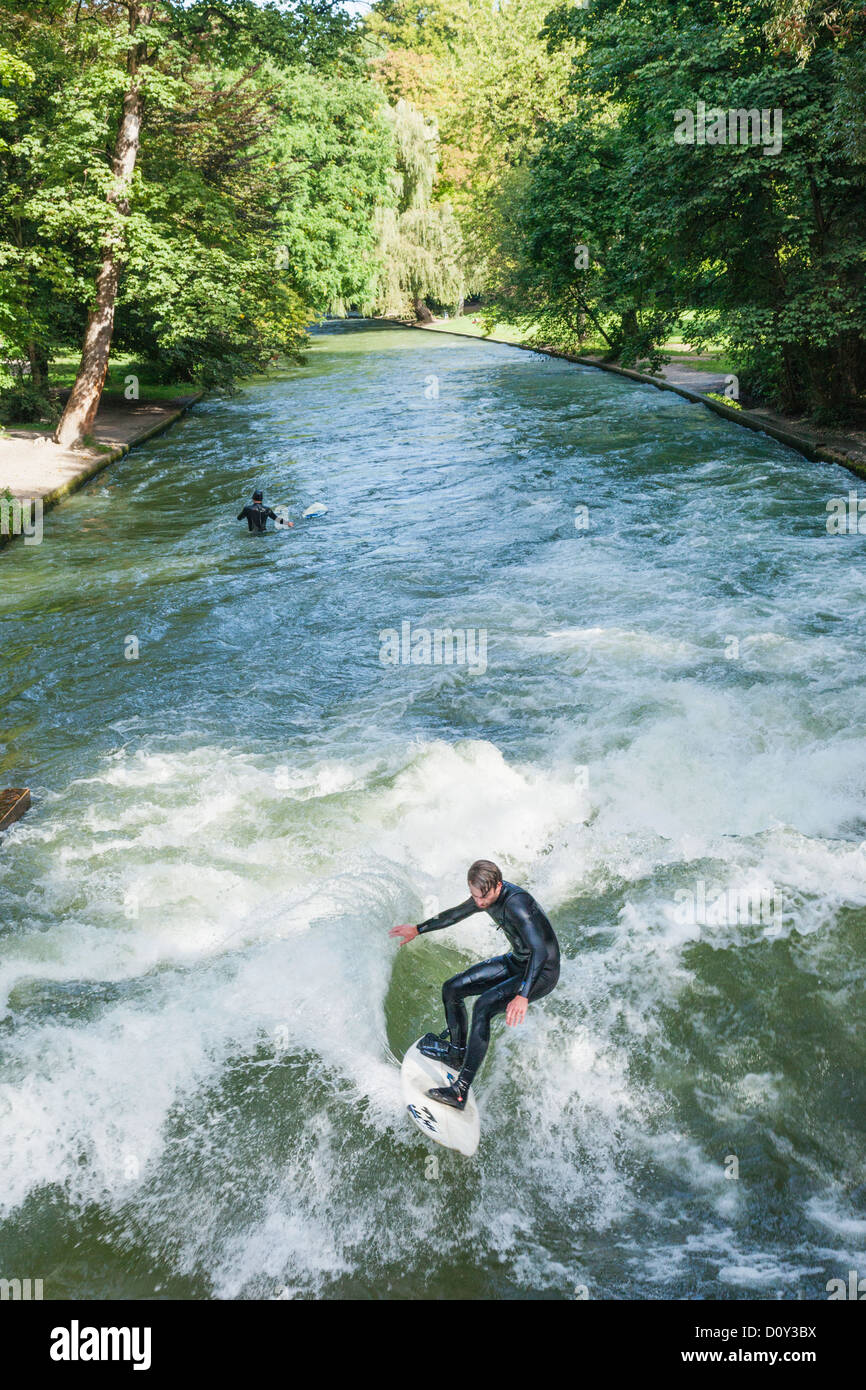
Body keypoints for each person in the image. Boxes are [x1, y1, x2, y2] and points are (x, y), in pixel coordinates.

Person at [390, 859, 560, 1110]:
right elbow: (456, 914)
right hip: (517, 962)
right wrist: (418, 929)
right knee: (452, 988)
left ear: (498, 885)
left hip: (541, 973)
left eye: (483, 897)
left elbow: (539, 952)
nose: (479, 903)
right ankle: (456, 1054)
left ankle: (460, 1092)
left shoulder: (517, 905)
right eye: (474, 896)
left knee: (484, 1006)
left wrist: (523, 995)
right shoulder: (485, 894)